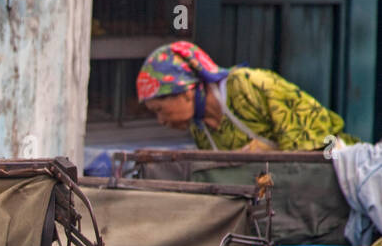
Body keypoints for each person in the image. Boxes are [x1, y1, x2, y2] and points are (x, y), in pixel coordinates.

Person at [137, 40, 358, 152]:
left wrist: (259, 157)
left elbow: (316, 145)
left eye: (159, 110)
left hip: (338, 169)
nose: (161, 121)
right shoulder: (201, 131)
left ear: (185, 90)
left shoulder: (246, 85)